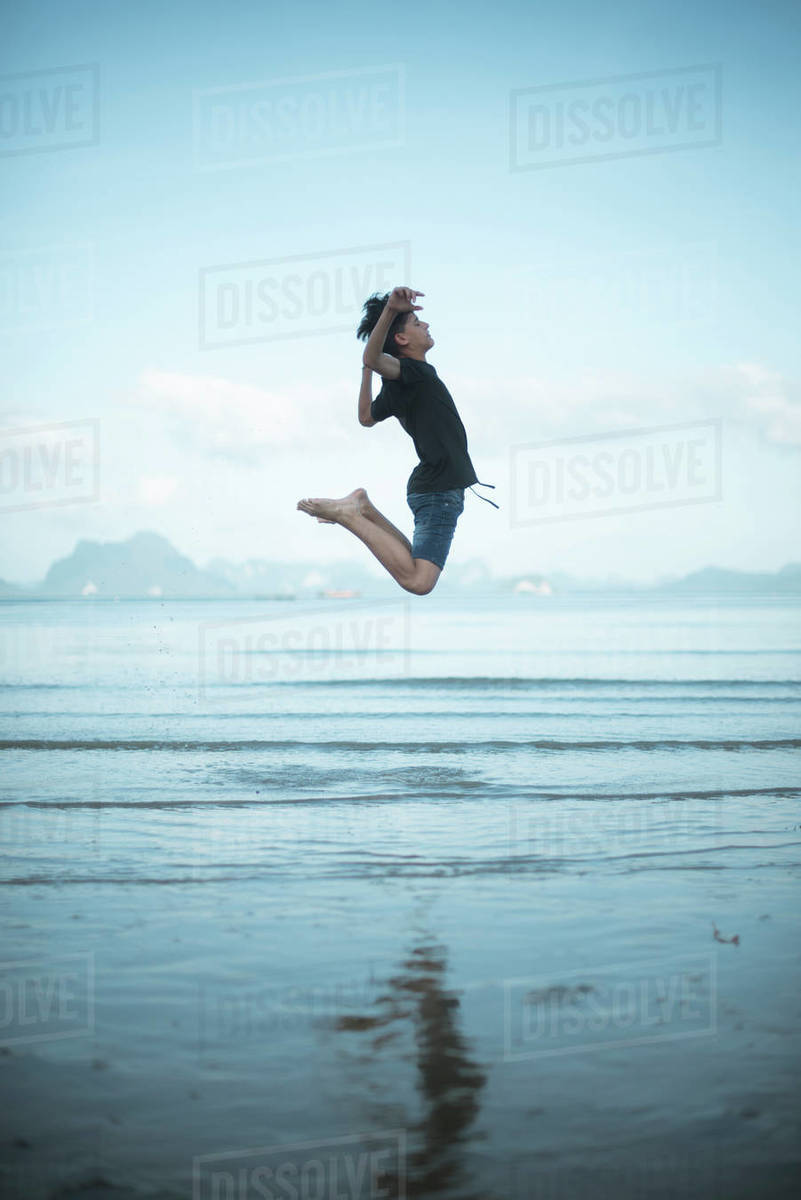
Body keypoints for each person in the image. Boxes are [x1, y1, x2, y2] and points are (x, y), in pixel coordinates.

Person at [297, 286, 497, 596]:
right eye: (417, 324)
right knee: (419, 582)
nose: (426, 325)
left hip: (435, 488)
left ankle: (364, 509)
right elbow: (374, 357)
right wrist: (390, 311)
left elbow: (366, 417)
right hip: (438, 490)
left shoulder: (402, 383)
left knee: (414, 567)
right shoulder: (411, 372)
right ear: (401, 340)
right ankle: (350, 514)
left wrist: (366, 371)